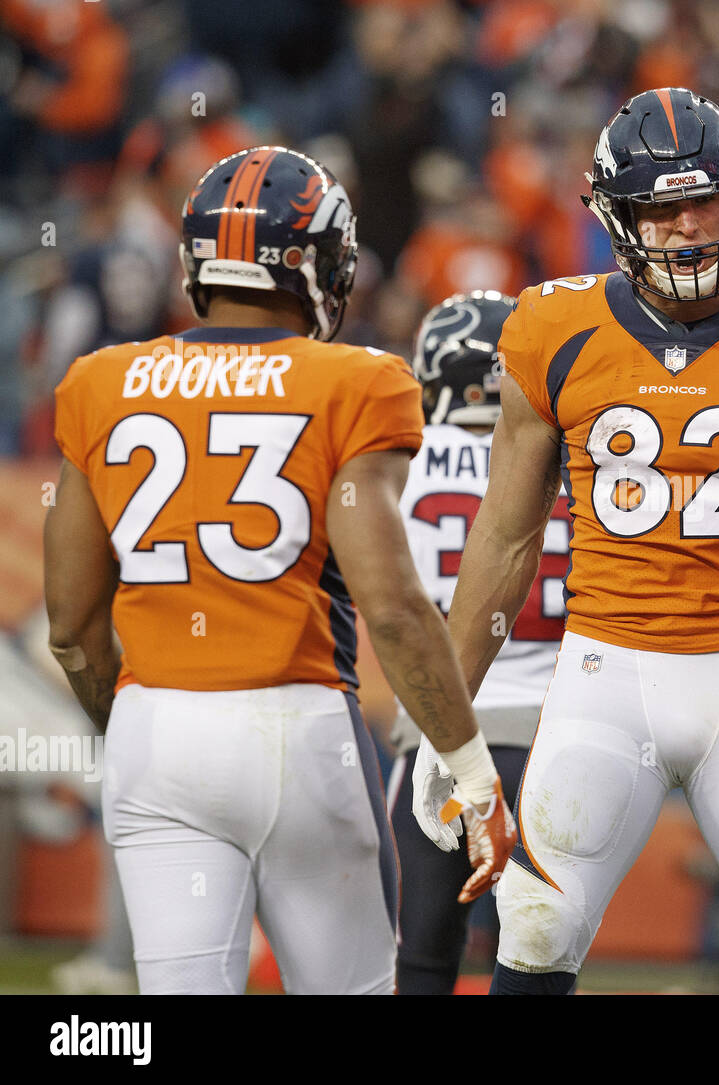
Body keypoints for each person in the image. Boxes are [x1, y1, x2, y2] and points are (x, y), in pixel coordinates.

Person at [43, 145, 514, 995]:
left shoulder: (100, 381)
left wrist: (135, 722)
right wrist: (472, 772)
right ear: (320, 265)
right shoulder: (355, 379)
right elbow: (398, 609)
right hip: (297, 728)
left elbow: (72, 624)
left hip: (157, 729)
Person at [446, 87, 719, 995]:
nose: (684, 227)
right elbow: (507, 539)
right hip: (608, 670)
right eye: (659, 208)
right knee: (539, 921)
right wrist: (447, 722)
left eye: (702, 201)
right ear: (616, 216)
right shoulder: (553, 326)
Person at [387, 289, 570, 994]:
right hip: (558, 731)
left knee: (425, 947)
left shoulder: (402, 457)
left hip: (440, 733)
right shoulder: (568, 458)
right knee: (540, 947)